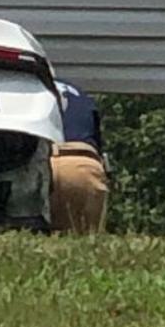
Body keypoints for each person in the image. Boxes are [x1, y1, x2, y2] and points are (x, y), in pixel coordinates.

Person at [49, 80, 108, 233]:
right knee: (85, 243)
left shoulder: (26, 87)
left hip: (42, 165)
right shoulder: (78, 91)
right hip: (84, 162)